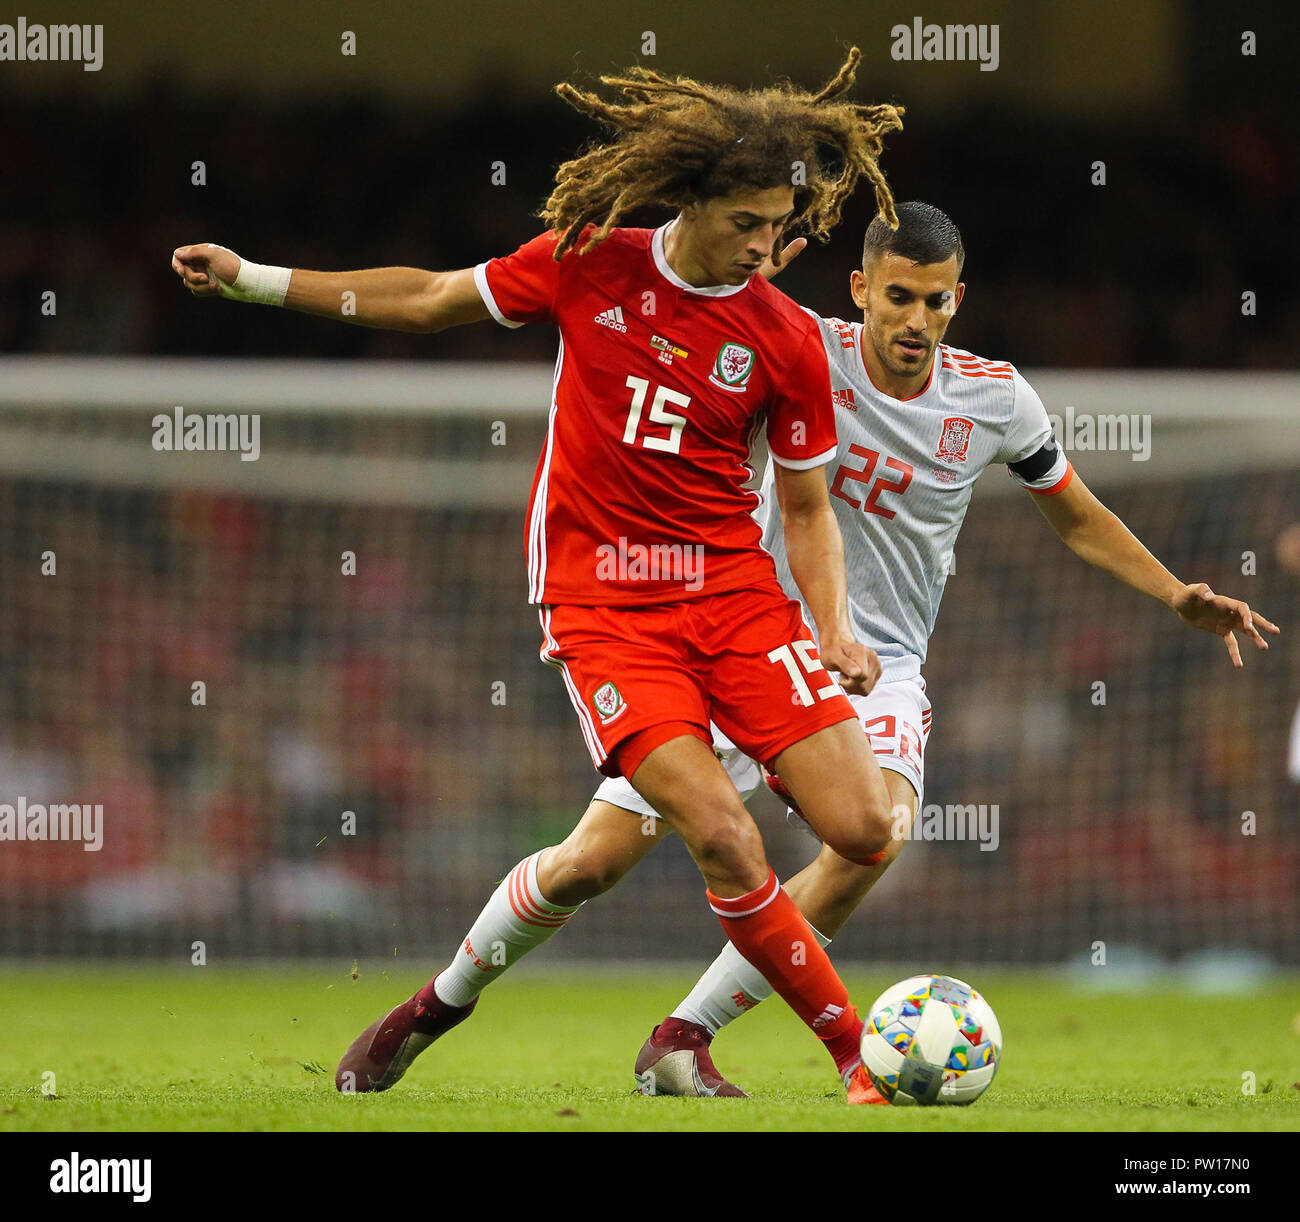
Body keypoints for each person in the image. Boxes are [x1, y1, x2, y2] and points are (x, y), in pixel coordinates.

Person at [366, 200, 1279, 1103]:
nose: (915, 320)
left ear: (959, 300)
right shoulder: (804, 346)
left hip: (879, 667)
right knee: (589, 864)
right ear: (860, 289)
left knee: (873, 837)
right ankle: (437, 1004)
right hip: (740, 637)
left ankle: (683, 1036)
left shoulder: (996, 400)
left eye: (935, 300)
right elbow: (706, 311)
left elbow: (1074, 514)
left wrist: (1176, 594)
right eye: (897, 298)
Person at [171, 49, 907, 1103]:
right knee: (725, 835)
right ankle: (855, 1061)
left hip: (736, 603)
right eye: (745, 221)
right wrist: (257, 278)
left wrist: (830, 629)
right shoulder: (590, 263)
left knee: (861, 828)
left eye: (775, 224)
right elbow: (427, 299)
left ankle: (454, 998)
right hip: (608, 606)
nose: (763, 244)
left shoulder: (785, 339)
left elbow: (803, 507)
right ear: (692, 200)